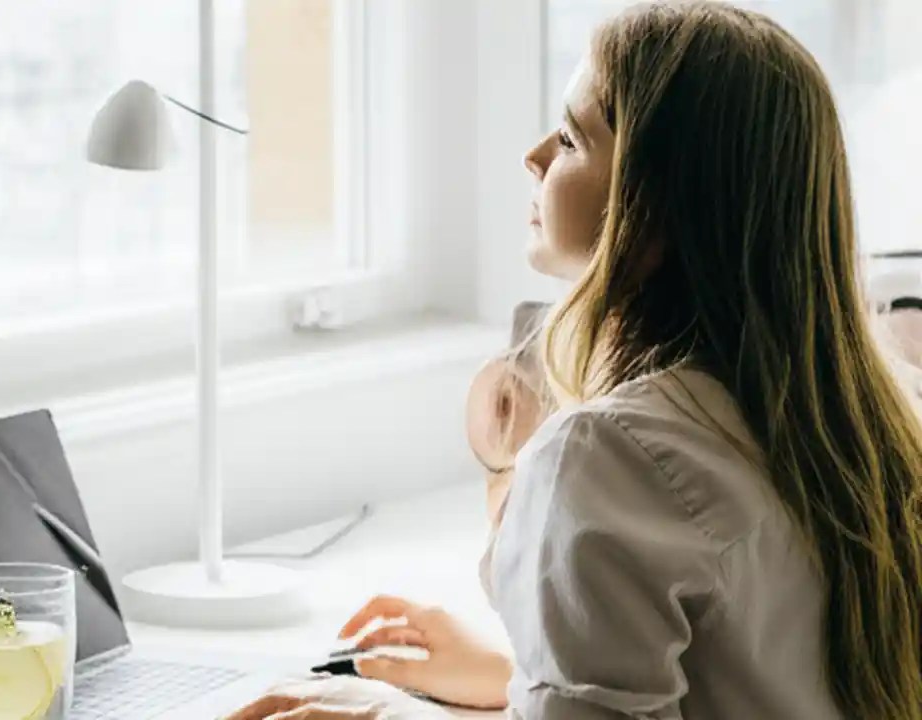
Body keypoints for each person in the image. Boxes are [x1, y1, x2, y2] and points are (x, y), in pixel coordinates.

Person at [226, 2, 922, 718]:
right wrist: (519, 677)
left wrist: (389, 712)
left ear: (653, 210)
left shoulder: (611, 455)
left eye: (569, 137)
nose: (533, 157)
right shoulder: (875, 427)